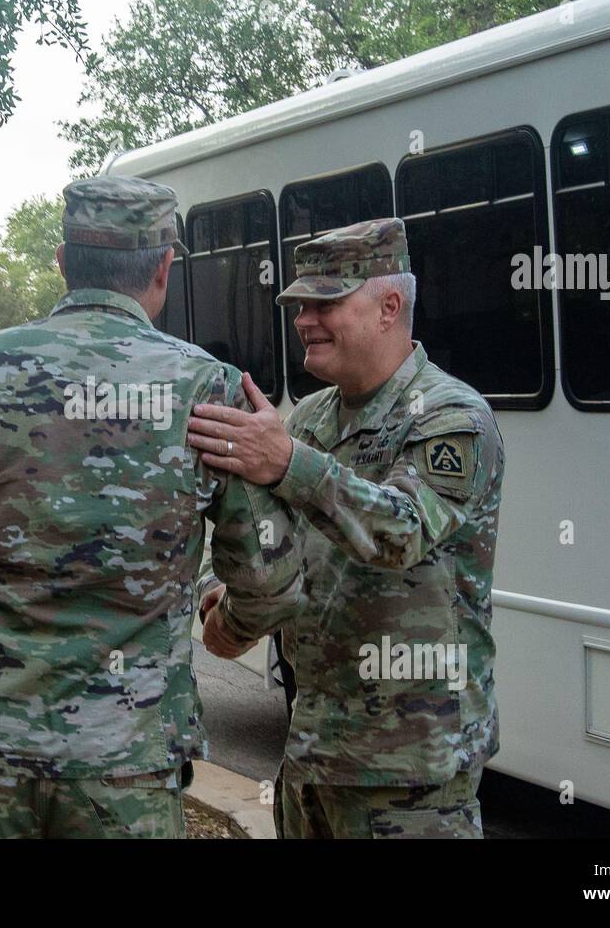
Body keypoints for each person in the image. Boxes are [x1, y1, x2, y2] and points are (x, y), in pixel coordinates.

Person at [0, 175, 304, 838]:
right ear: (165, 267)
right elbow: (270, 582)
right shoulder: (210, 390)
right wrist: (231, 631)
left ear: (63, 262)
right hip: (125, 765)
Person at [188, 217, 504, 838]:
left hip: (411, 774)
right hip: (311, 752)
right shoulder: (308, 417)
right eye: (300, 304)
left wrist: (288, 464)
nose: (304, 318)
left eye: (325, 302)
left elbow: (404, 532)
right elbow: (248, 527)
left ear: (389, 307)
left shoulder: (452, 416)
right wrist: (220, 596)